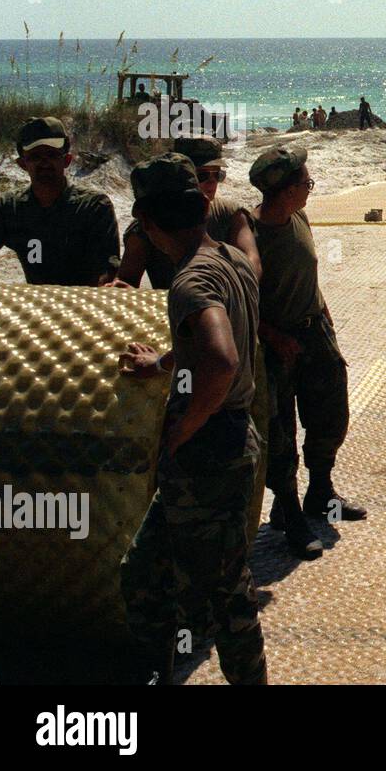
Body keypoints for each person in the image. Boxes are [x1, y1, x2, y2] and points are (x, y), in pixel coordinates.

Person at [118, 153, 268, 686]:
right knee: (145, 575)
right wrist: (160, 362)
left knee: (224, 593)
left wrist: (186, 425)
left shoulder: (189, 281)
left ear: (150, 226)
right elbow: (203, 346)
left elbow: (222, 358)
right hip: (229, 440)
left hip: (209, 449)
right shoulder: (231, 258)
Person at [249, 144, 365, 560]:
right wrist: (274, 337)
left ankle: (321, 490)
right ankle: (289, 512)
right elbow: (243, 301)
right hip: (275, 343)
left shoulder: (299, 217)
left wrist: (325, 322)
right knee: (279, 431)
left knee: (330, 412)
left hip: (315, 332)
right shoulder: (251, 235)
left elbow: (308, 276)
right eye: (304, 183)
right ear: (282, 191)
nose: (309, 188)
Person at [110, 134, 261, 290]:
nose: (212, 182)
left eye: (217, 175)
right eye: (202, 175)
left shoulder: (231, 213)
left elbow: (252, 267)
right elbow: (126, 281)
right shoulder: (150, 225)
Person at [0, 117, 120, 285]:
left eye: (52, 154)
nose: (44, 162)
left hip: (86, 305)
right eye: (35, 156)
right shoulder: (10, 208)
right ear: (22, 164)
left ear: (67, 160)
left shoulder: (93, 207)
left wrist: (106, 285)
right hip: (37, 306)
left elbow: (108, 270)